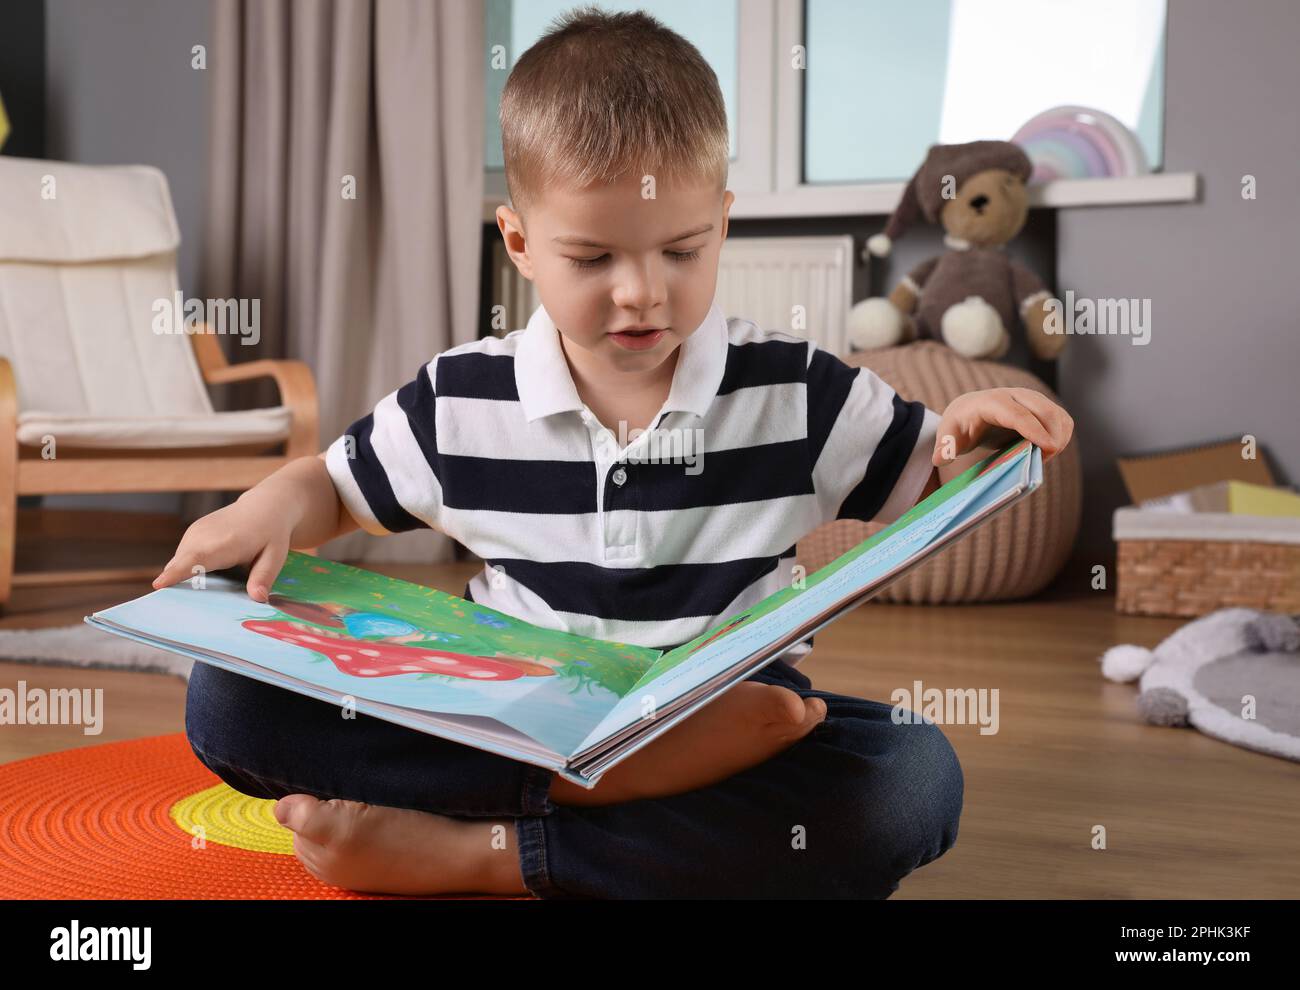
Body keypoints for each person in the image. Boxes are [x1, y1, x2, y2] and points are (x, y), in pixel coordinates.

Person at [160, 6, 1073, 898]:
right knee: (229, 701)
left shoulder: (798, 391)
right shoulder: (464, 396)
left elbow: (933, 478)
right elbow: (336, 486)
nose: (642, 293)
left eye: (681, 250)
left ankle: (481, 855)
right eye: (593, 259)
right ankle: (578, 790)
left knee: (908, 778)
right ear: (519, 242)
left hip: (725, 730)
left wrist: (977, 432)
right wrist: (269, 506)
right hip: (506, 719)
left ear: (722, 221)